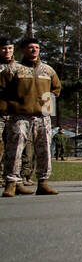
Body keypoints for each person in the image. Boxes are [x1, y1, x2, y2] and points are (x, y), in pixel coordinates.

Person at [1, 37, 62, 196]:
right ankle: (11, 183)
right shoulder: (14, 69)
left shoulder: (48, 70)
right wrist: (8, 107)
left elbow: (56, 89)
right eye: (30, 47)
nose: (34, 50)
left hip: (42, 118)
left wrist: (47, 109)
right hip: (19, 117)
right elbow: (1, 90)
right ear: (22, 50)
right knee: (14, 151)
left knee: (45, 150)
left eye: (36, 47)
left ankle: (43, 182)